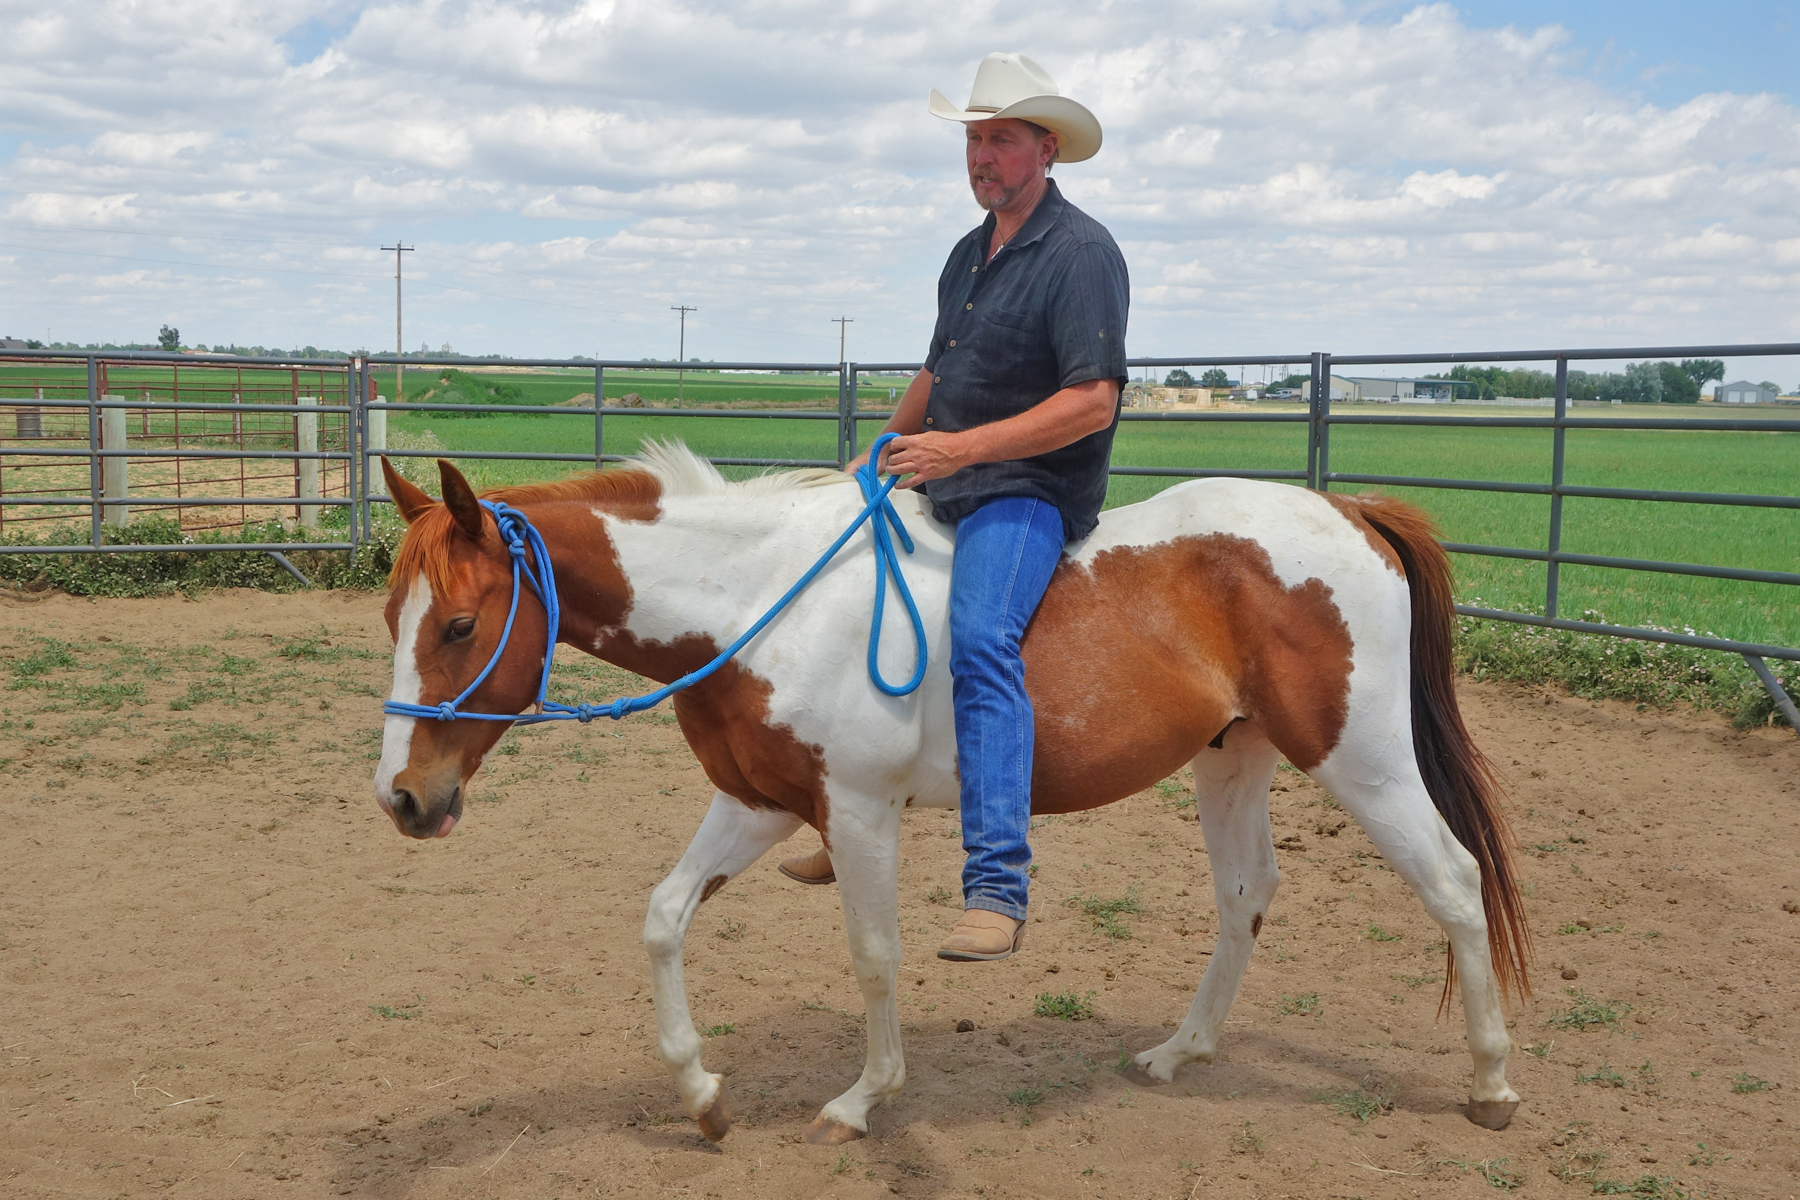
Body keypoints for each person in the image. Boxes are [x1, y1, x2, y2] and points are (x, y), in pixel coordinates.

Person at [779, 52, 1129, 962]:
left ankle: (997, 887)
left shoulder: (1083, 254)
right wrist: (874, 458)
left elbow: (1093, 401)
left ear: (1045, 150)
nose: (981, 156)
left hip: (1028, 490)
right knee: (852, 604)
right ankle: (841, 817)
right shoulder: (968, 253)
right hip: (943, 470)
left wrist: (959, 449)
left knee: (979, 637)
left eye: (1000, 140)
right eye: (974, 139)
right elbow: (940, 373)